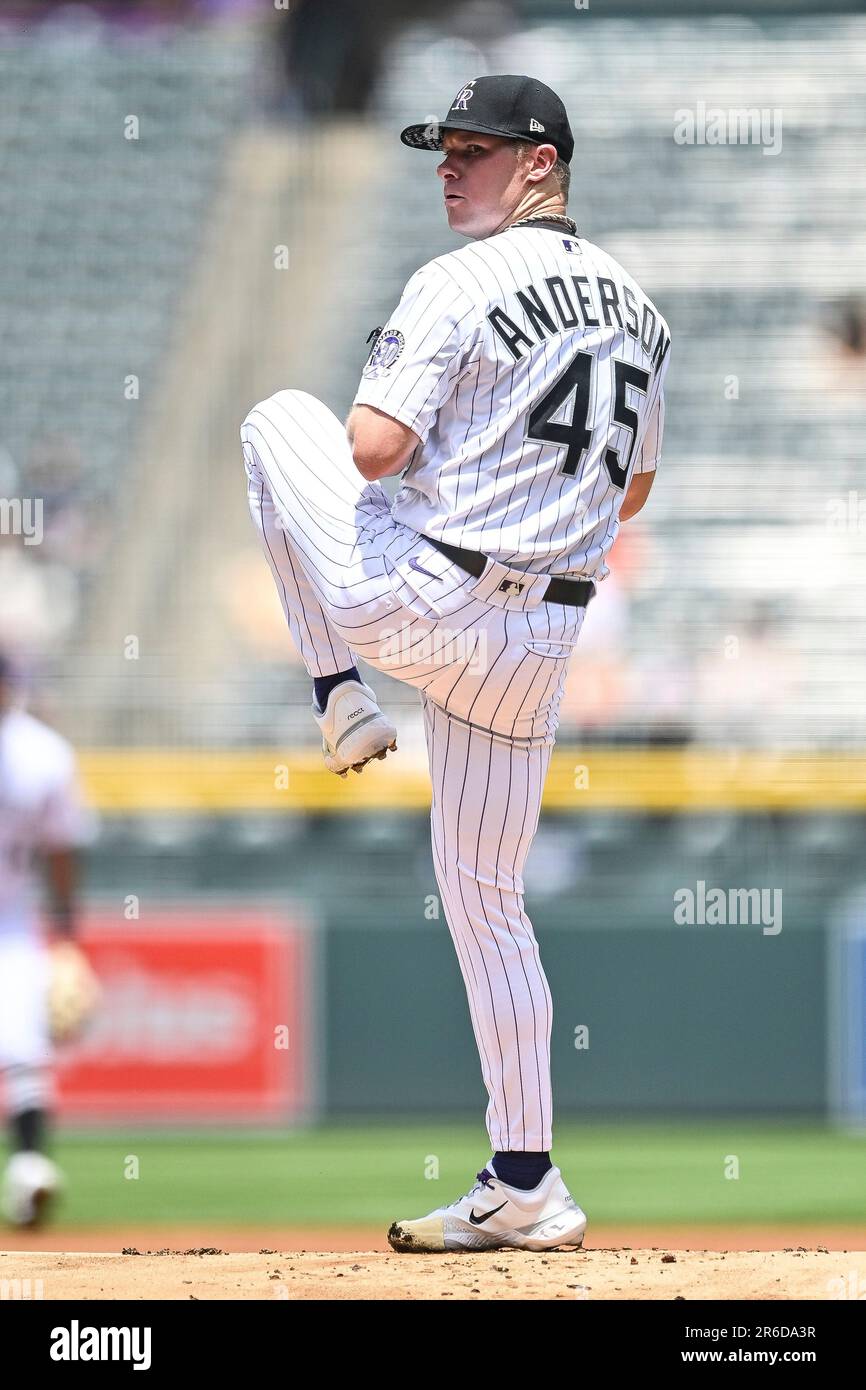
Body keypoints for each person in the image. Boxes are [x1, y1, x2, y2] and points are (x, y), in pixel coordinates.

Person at [241, 74, 670, 1252]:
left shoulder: (456, 278)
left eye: (473, 148)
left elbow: (370, 450)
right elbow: (631, 488)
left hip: (417, 597)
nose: (447, 164)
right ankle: (527, 1182)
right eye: (442, 146)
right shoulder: (640, 308)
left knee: (277, 421)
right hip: (538, 646)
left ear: (539, 163)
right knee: (489, 904)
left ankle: (336, 698)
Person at [0, 651, 96, 1227]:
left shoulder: (43, 754)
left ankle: (30, 1167)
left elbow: (62, 849)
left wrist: (65, 939)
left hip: (8, 913)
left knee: (24, 1040)